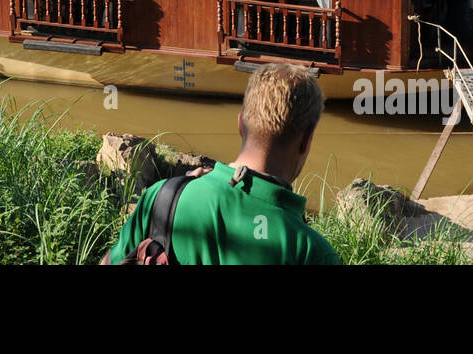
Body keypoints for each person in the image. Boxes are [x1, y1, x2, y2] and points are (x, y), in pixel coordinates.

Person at [101, 64, 341, 265]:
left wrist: (182, 189)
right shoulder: (312, 252)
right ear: (306, 140)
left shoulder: (162, 198)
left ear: (240, 124)